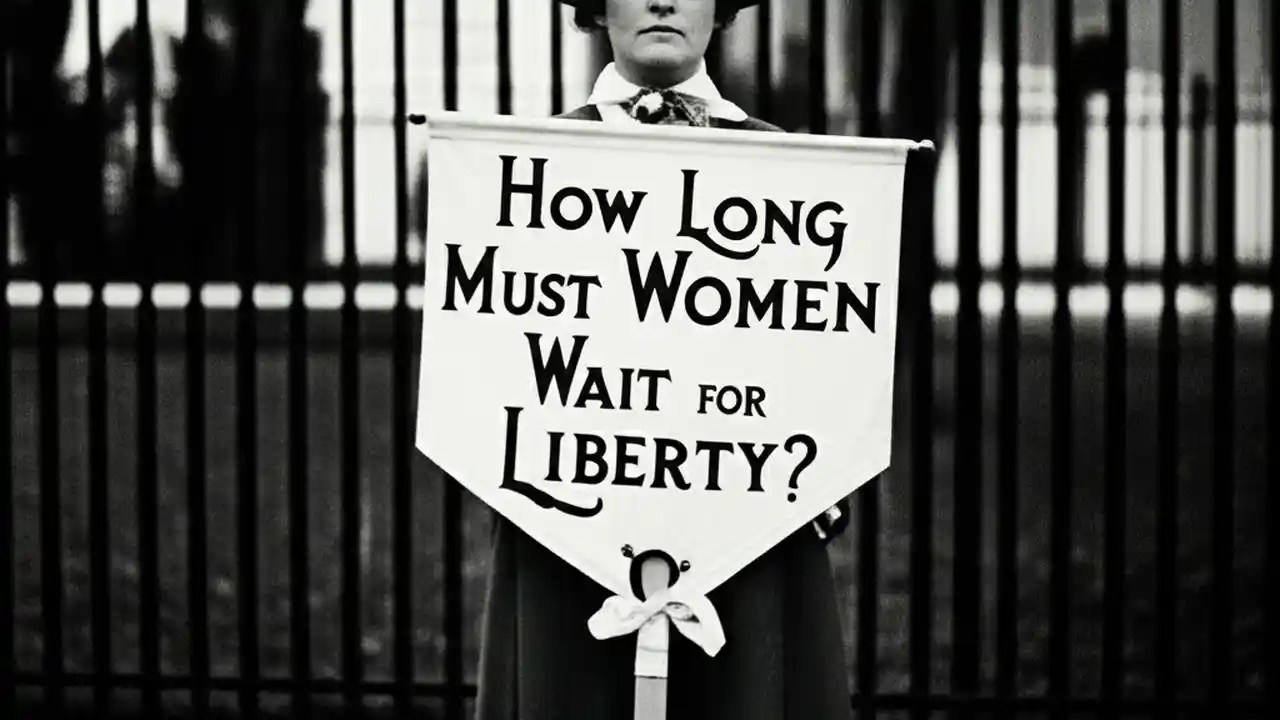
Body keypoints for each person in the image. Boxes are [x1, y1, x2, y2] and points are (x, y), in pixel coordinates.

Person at [474, 2, 853, 718]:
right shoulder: (527, 166)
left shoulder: (791, 166)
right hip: (569, 534)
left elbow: (825, 366)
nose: (661, 1)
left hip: (748, 533)